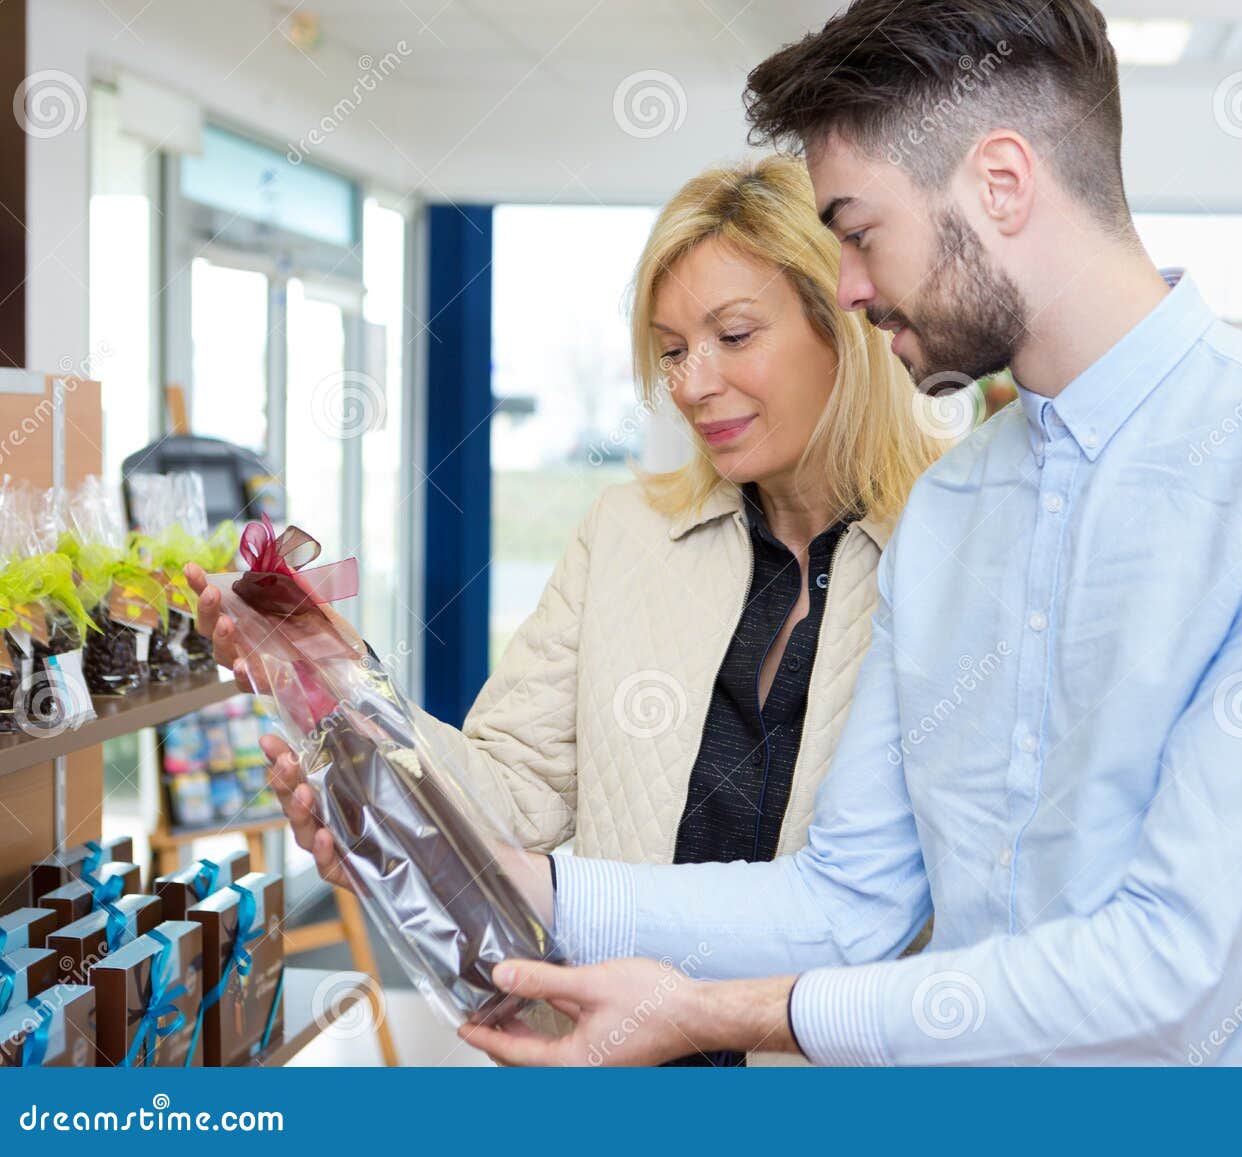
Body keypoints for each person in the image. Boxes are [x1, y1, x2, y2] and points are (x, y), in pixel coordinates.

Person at [211, 0, 1242, 1067]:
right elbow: (851, 898)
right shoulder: (960, 512)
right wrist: (518, 882)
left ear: (1003, 184)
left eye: (858, 230)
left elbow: (1175, 966)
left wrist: (718, 1010)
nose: (853, 287)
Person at [185, 154, 942, 1066]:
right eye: (671, 350)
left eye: (734, 335)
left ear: (847, 324)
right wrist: (349, 689)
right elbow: (515, 793)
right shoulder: (625, 534)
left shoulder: (950, 555)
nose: (693, 383)